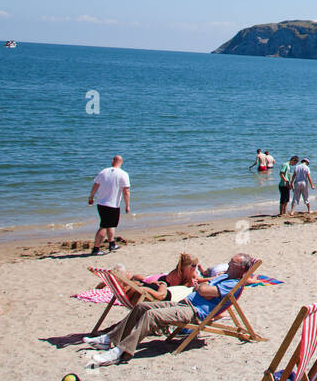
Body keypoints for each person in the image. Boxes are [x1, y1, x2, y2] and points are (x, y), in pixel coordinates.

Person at [83, 254, 257, 366]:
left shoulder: (233, 284)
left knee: (151, 315)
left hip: (194, 312)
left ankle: (121, 351)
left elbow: (203, 290)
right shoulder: (225, 277)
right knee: (141, 306)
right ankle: (109, 339)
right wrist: (201, 288)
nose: (227, 263)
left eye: (232, 263)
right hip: (183, 303)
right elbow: (203, 288)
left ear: (241, 268)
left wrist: (201, 288)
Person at [88, 156, 130, 256]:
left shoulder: (103, 171)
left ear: (112, 161)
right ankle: (96, 248)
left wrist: (91, 197)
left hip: (101, 204)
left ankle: (112, 244)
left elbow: (96, 185)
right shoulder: (123, 174)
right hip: (112, 204)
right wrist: (127, 205)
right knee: (104, 226)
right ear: (121, 162)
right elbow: (126, 191)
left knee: (111, 224)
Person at [130, 253, 205, 300]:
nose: (195, 267)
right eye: (194, 265)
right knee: (145, 279)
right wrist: (188, 284)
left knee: (145, 279)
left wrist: (215, 278)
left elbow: (200, 279)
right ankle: (132, 276)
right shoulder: (176, 276)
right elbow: (174, 290)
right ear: (186, 267)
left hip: (164, 282)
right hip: (162, 282)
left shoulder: (190, 271)